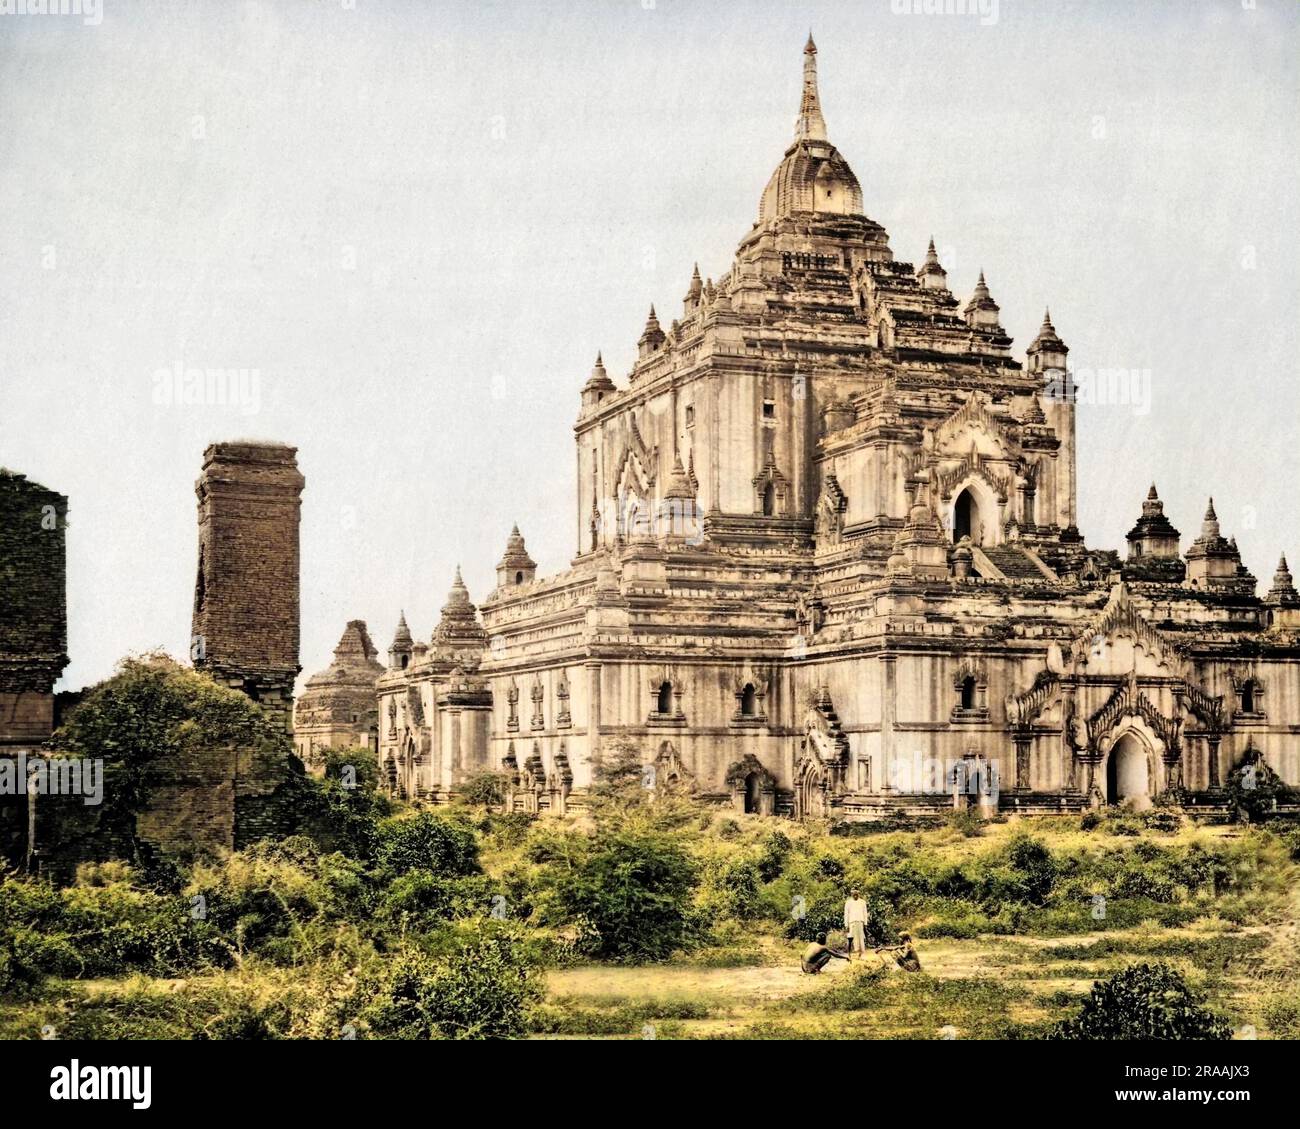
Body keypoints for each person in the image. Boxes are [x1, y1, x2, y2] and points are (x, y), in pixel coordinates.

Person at [843, 887, 869, 960]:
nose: (855, 896)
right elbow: (846, 914)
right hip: (851, 922)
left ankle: (861, 954)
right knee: (851, 938)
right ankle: (850, 954)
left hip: (860, 922)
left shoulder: (862, 902)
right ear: (851, 894)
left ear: (858, 894)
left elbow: (865, 913)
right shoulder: (848, 902)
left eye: (856, 894)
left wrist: (865, 924)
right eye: (854, 894)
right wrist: (846, 925)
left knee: (861, 938)